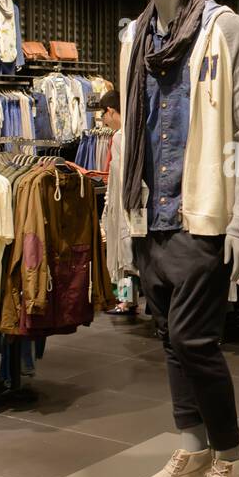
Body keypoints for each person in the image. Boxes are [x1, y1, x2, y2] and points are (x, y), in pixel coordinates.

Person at [98, 89, 137, 316]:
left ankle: (125, 301)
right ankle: (128, 300)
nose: (103, 121)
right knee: (125, 252)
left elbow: (117, 176)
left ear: (110, 111)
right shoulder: (132, 132)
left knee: (122, 255)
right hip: (130, 202)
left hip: (123, 203)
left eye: (103, 115)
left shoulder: (120, 137)